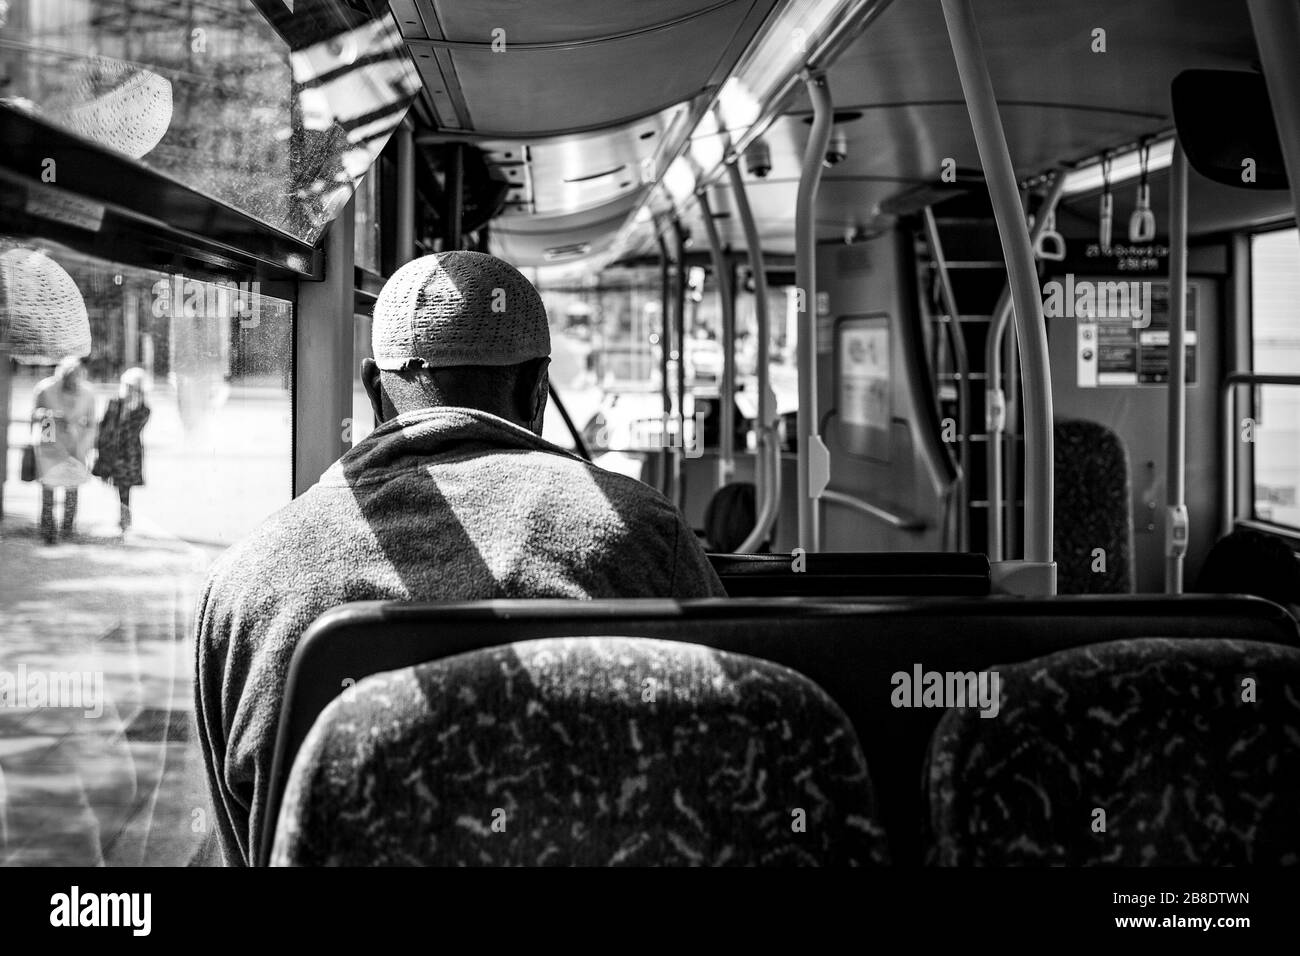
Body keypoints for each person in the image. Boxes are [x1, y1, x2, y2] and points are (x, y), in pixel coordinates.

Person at [194, 251, 726, 865]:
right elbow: (727, 758)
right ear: (536, 391)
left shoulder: (246, 580)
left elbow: (244, 842)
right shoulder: (640, 535)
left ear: (375, 392)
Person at [31, 356, 95, 544]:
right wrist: (50, 416)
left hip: (75, 445)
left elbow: (91, 423)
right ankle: (48, 529)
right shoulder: (45, 389)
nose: (73, 382)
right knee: (49, 487)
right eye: (69, 377)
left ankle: (68, 529)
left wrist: (85, 445)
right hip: (50, 444)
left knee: (72, 487)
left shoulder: (88, 394)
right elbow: (35, 414)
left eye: (76, 377)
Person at [93, 367, 152, 536]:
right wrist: (98, 446)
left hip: (128, 454)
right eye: (128, 385)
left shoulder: (144, 410)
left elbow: (130, 431)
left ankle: (125, 520)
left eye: (134, 387)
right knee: (113, 485)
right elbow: (103, 425)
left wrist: (130, 409)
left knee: (124, 487)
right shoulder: (113, 403)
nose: (129, 389)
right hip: (109, 450)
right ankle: (122, 518)